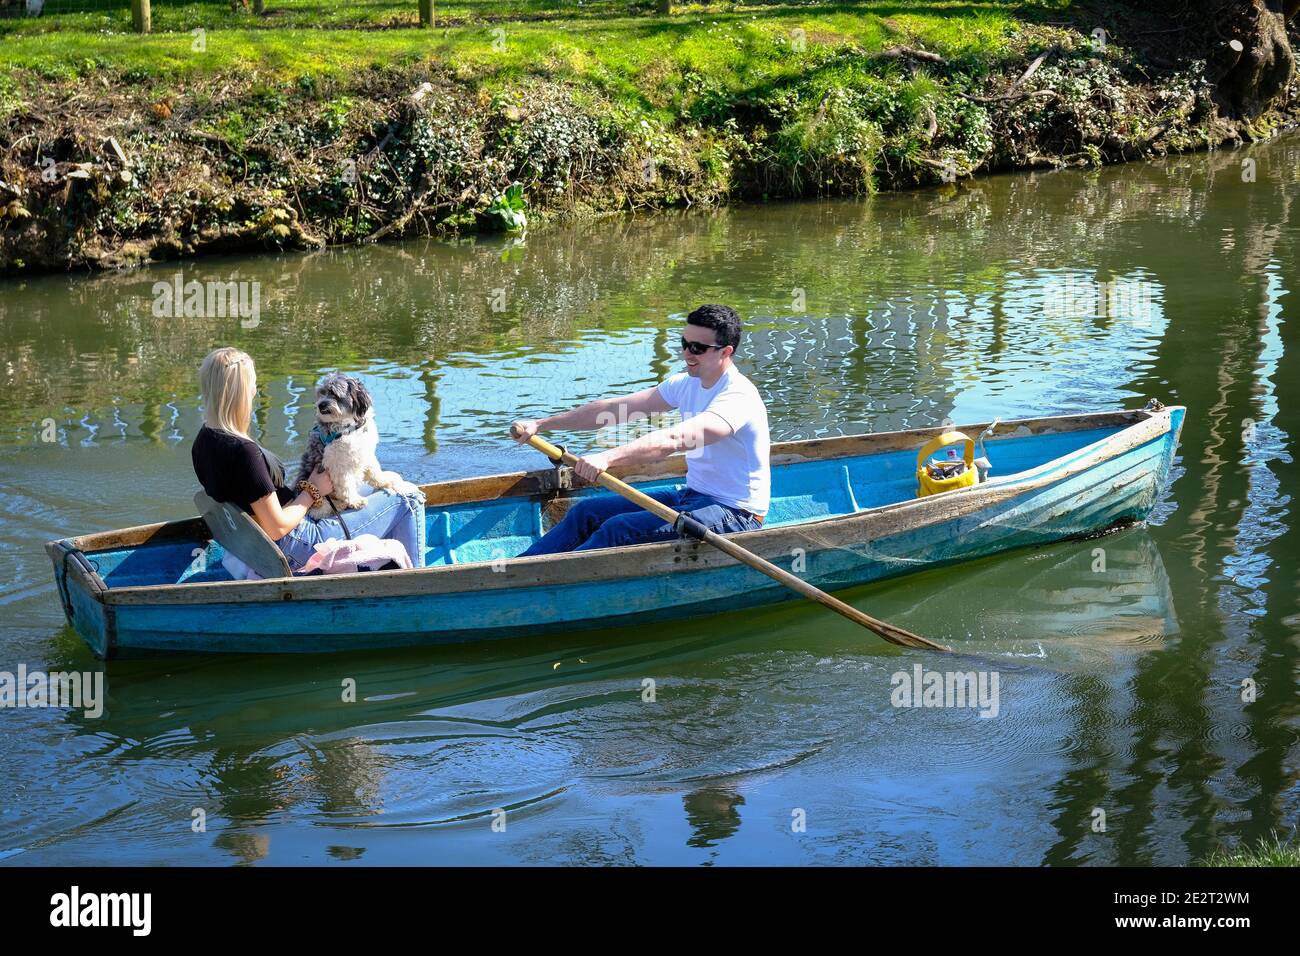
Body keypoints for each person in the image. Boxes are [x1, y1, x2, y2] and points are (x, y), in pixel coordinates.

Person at [512, 304, 769, 555]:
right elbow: (613, 409)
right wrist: (542, 424)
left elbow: (674, 439)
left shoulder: (738, 397)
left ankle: (543, 585)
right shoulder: (685, 384)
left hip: (736, 514)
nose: (687, 354)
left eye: (698, 348)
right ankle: (517, 572)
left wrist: (606, 457)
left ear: (725, 352)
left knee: (618, 529)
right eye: (684, 344)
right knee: (586, 512)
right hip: (692, 495)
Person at [191, 347, 426, 572]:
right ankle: (416, 581)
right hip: (297, 543)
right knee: (409, 497)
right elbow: (277, 528)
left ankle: (387, 565)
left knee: (387, 483)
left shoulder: (203, 441)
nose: (254, 390)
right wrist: (311, 491)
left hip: (258, 543)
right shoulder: (244, 452)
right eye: (252, 384)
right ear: (240, 392)